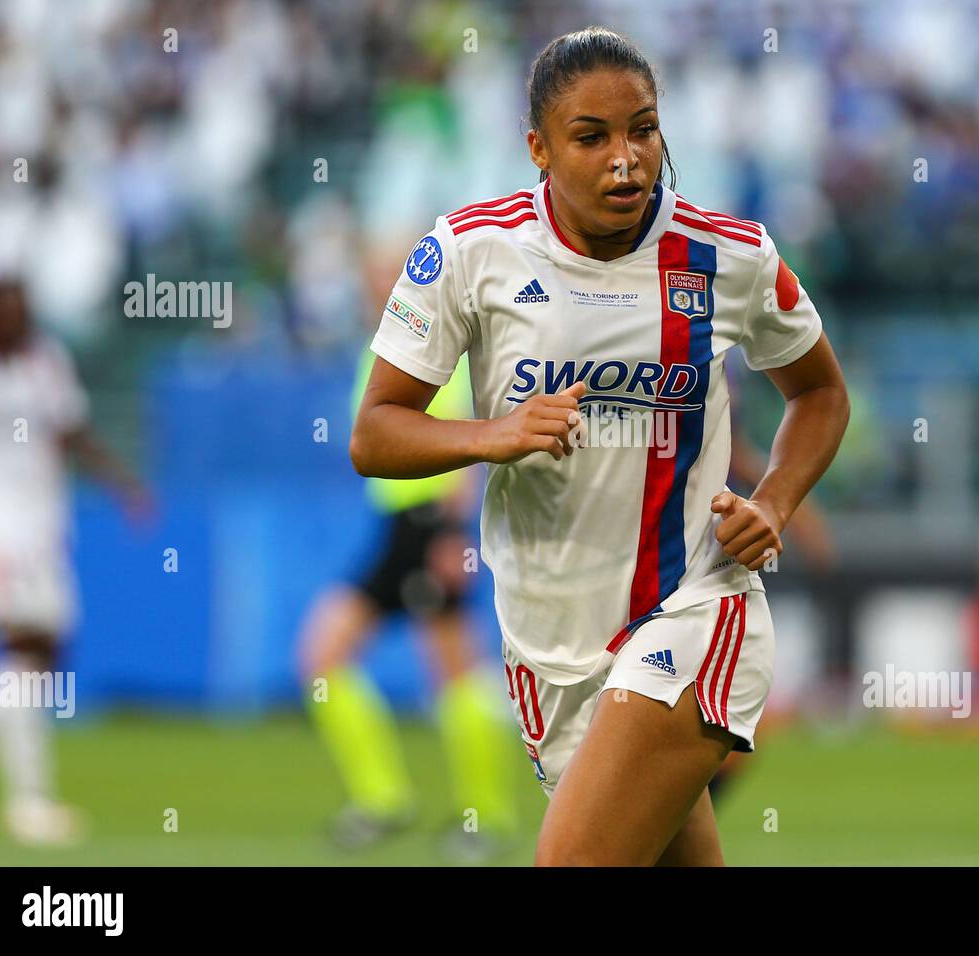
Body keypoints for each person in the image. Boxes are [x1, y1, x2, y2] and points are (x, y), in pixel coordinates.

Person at [350, 27, 848, 866]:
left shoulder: (729, 257)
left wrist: (774, 503)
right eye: (592, 137)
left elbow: (821, 392)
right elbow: (374, 432)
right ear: (539, 147)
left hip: (692, 606)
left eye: (643, 130)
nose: (626, 159)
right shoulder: (470, 253)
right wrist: (492, 435)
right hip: (550, 639)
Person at [297, 347, 517, 857]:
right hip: (395, 531)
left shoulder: (440, 345)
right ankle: (383, 799)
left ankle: (485, 818)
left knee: (456, 672)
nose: (376, 283)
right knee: (322, 657)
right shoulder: (384, 347)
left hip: (429, 525)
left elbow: (468, 436)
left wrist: (451, 530)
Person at [0, 277, 149, 846]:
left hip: (42, 528)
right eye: (4, 310)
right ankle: (29, 802)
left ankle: (28, 802)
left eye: (21, 309)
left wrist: (122, 483)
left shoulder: (46, 360)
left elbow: (72, 430)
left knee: (39, 655)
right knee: (26, 647)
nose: (13, 319)